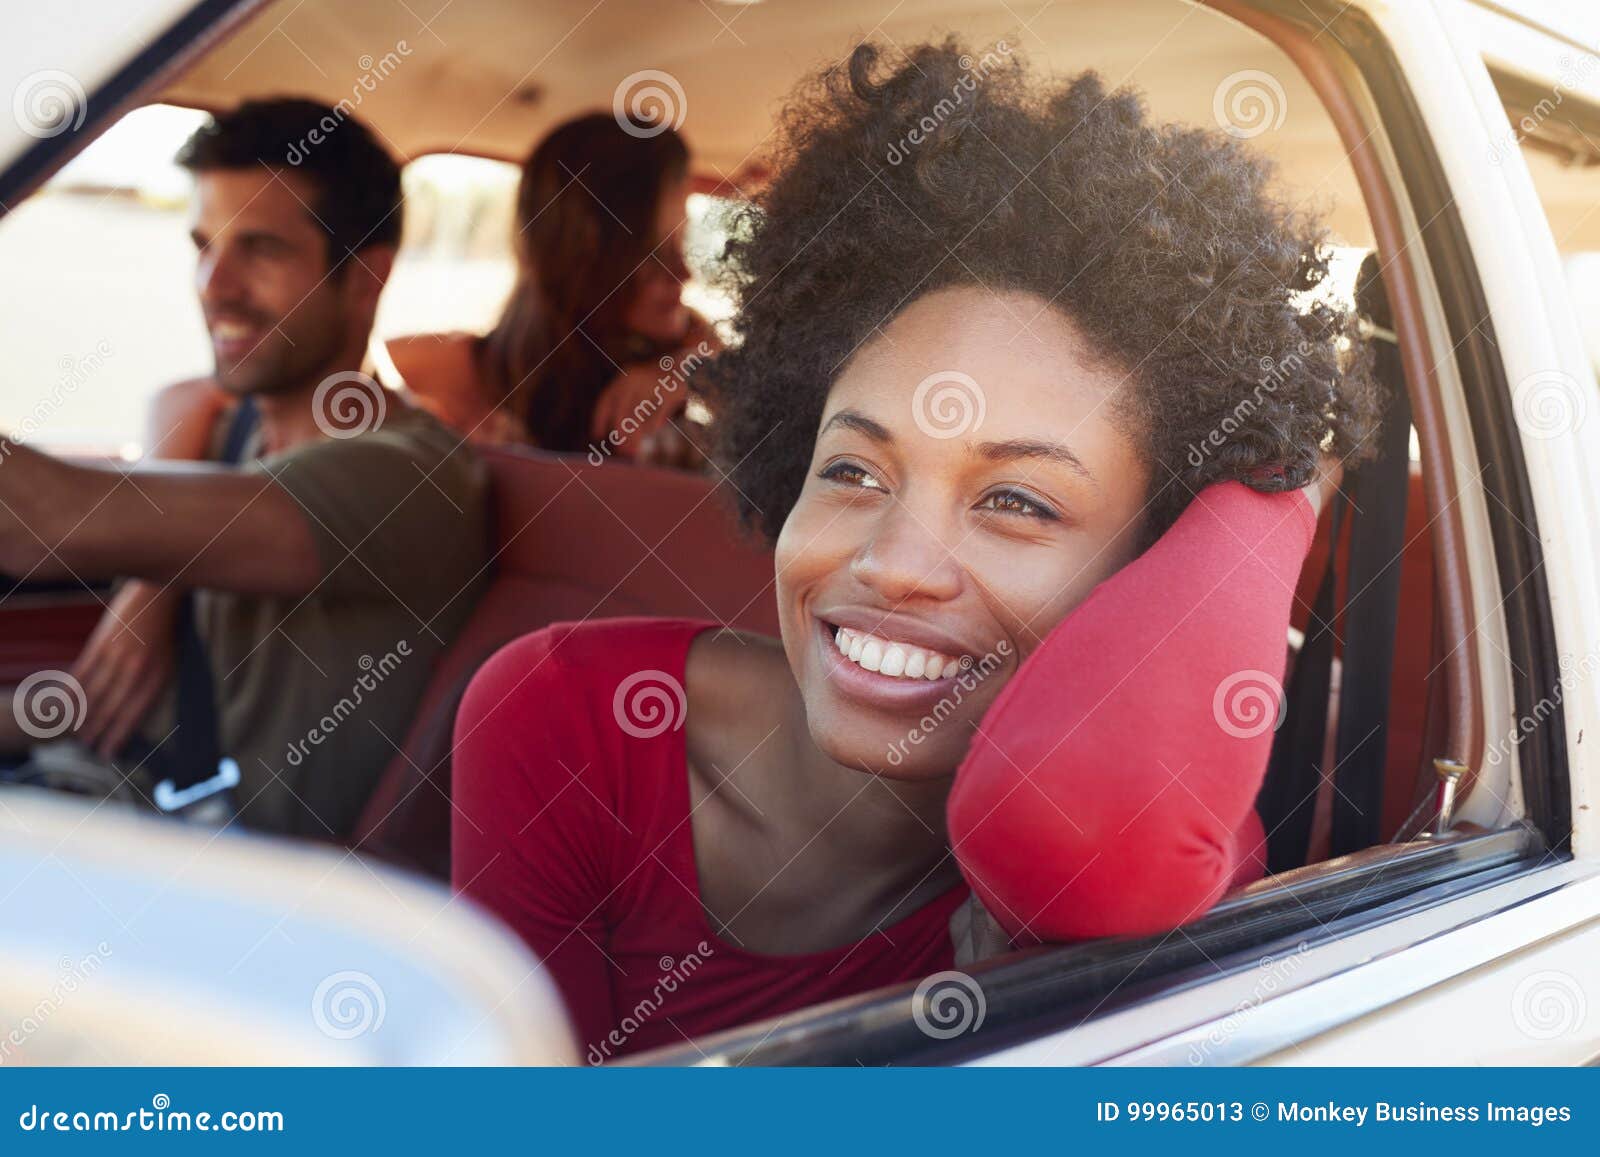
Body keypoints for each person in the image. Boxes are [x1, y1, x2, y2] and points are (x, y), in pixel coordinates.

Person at [450, 41, 1379, 1061]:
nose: (893, 562)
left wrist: (1279, 478)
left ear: (1154, 565)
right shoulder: (567, 717)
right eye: (852, 471)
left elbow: (1093, 830)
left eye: (1016, 500)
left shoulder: (1163, 822)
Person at [0, 98, 489, 839]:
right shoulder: (235, 430)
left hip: (196, 872)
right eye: (204, 244)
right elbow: (179, 400)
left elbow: (43, 521)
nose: (214, 284)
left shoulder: (408, 479)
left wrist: (151, 568)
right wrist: (153, 579)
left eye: (259, 249)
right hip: (90, 792)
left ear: (365, 278)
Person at [388, 111, 716, 462]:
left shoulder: (690, 368)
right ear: (583, 256)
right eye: (655, 254)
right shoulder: (438, 380)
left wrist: (686, 369)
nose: (684, 273)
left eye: (682, 244)